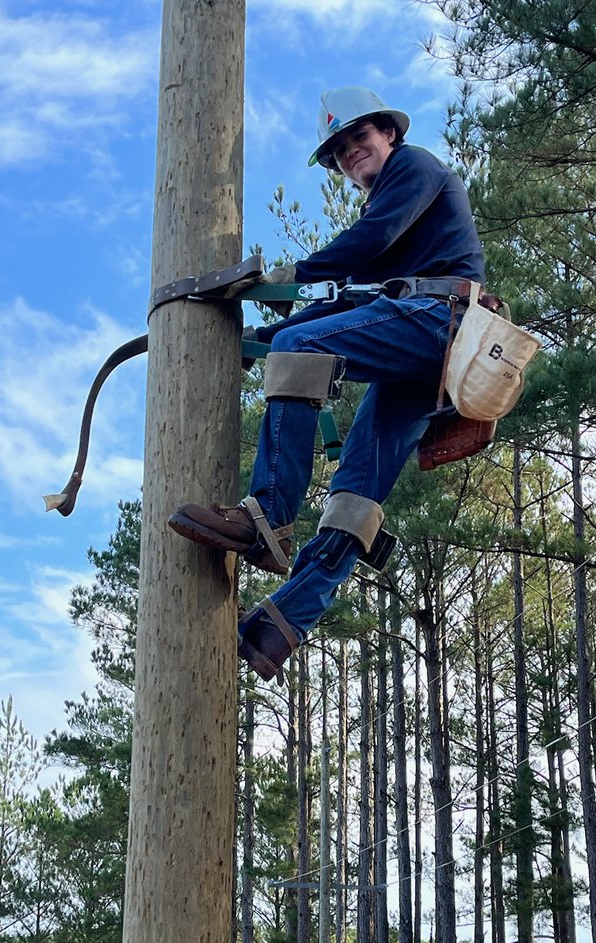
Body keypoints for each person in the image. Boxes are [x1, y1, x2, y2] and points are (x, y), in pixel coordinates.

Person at [169, 86, 486, 680]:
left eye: (359, 138)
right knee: (354, 494)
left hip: (442, 323)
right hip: (427, 352)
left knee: (301, 347)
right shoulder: (391, 213)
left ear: (390, 134)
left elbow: (365, 248)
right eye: (339, 151)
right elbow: (352, 298)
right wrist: (268, 333)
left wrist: (288, 278)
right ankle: (282, 623)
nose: (351, 153)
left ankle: (267, 513)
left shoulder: (416, 168)